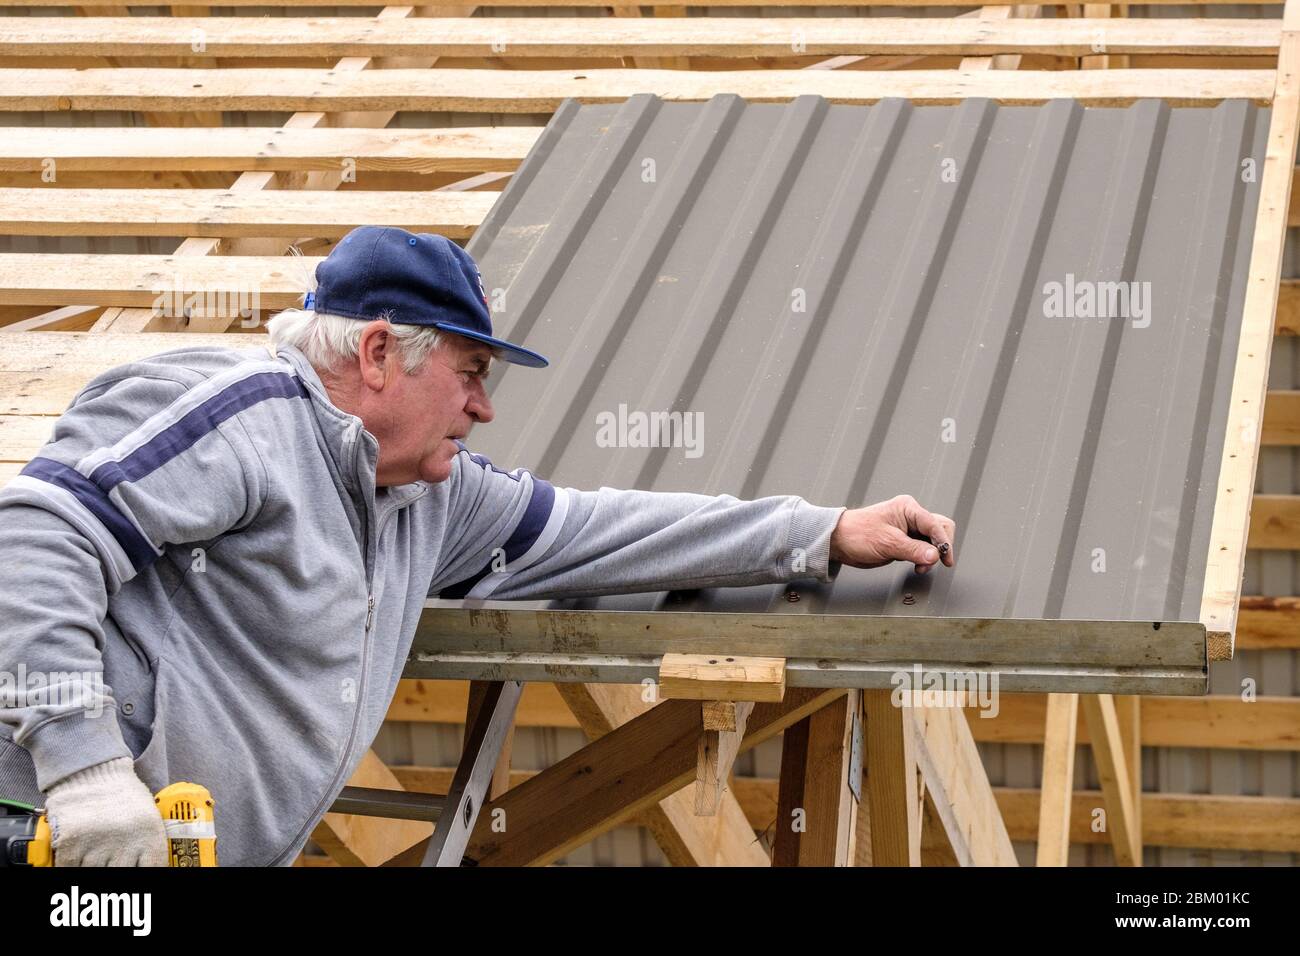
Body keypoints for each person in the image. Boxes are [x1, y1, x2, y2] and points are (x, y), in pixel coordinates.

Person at [0, 225, 955, 866]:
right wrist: (84, 772)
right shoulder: (246, 416)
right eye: (469, 372)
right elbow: (37, 533)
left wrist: (820, 534)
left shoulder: (425, 498)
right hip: (50, 827)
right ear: (379, 355)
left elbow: (594, 528)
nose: (483, 405)